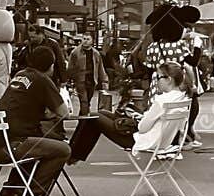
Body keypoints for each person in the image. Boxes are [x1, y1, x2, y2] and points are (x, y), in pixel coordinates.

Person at [0, 44, 74, 196]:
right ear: (50, 65)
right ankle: (31, 194)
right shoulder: (42, 80)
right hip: (12, 146)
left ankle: (14, 189)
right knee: (64, 150)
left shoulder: (19, 76)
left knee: (39, 144)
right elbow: (64, 113)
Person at [68, 62, 196, 164]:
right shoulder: (182, 98)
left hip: (143, 141)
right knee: (102, 113)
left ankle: (71, 153)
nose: (156, 81)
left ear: (168, 79)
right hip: (163, 141)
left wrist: (143, 118)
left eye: (158, 77)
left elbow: (142, 128)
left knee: (93, 116)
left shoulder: (161, 101)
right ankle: (74, 154)